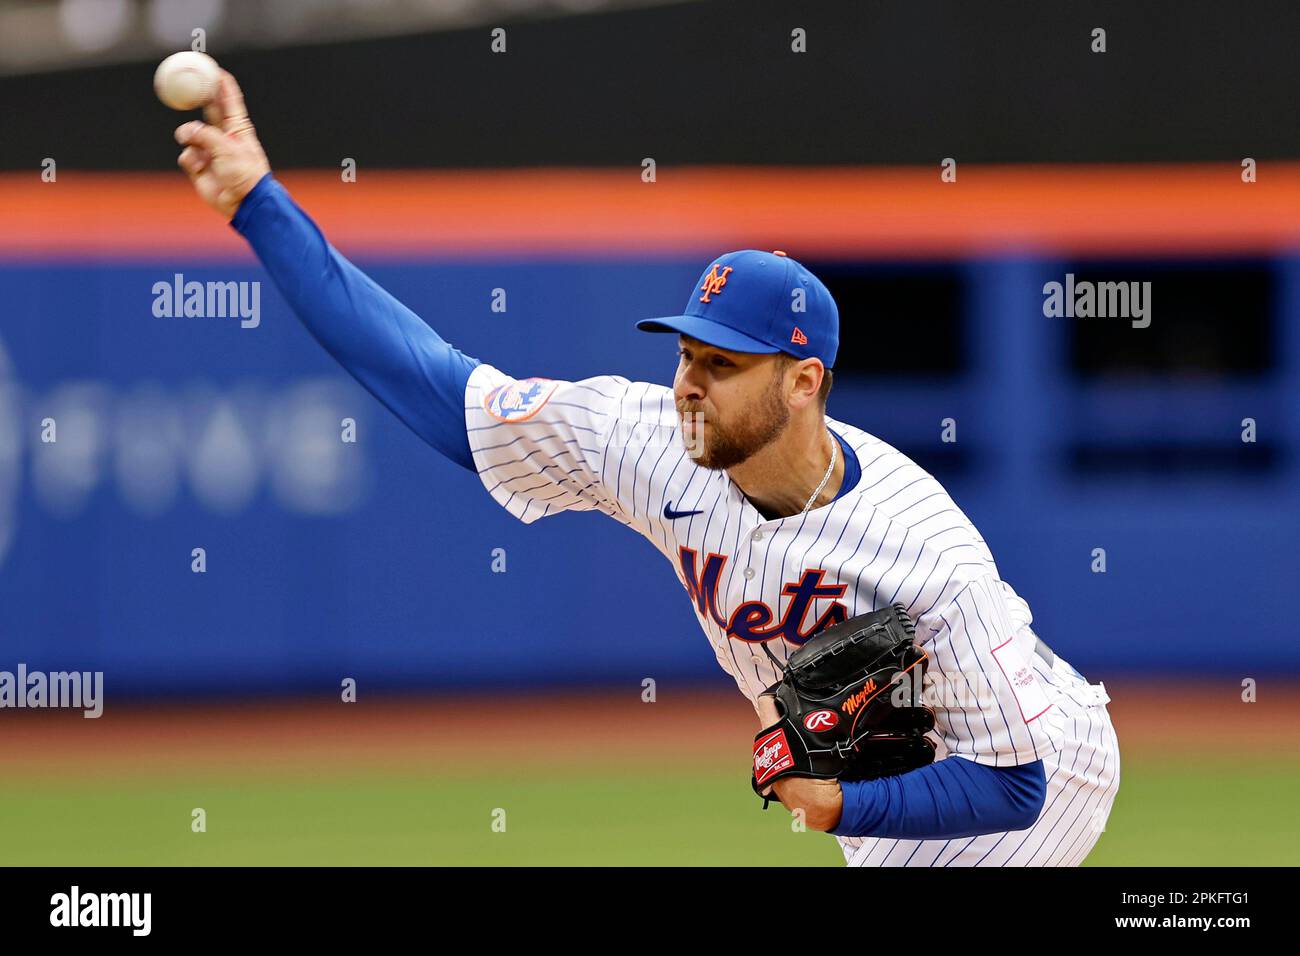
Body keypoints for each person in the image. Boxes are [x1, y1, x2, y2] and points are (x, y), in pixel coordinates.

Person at [173, 72, 1120, 866]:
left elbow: (1013, 782)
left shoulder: (923, 551)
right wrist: (260, 205)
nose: (689, 386)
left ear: (803, 381)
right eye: (685, 356)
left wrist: (837, 806)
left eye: (722, 364)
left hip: (1037, 761)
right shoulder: (644, 441)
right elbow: (434, 386)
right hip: (897, 774)